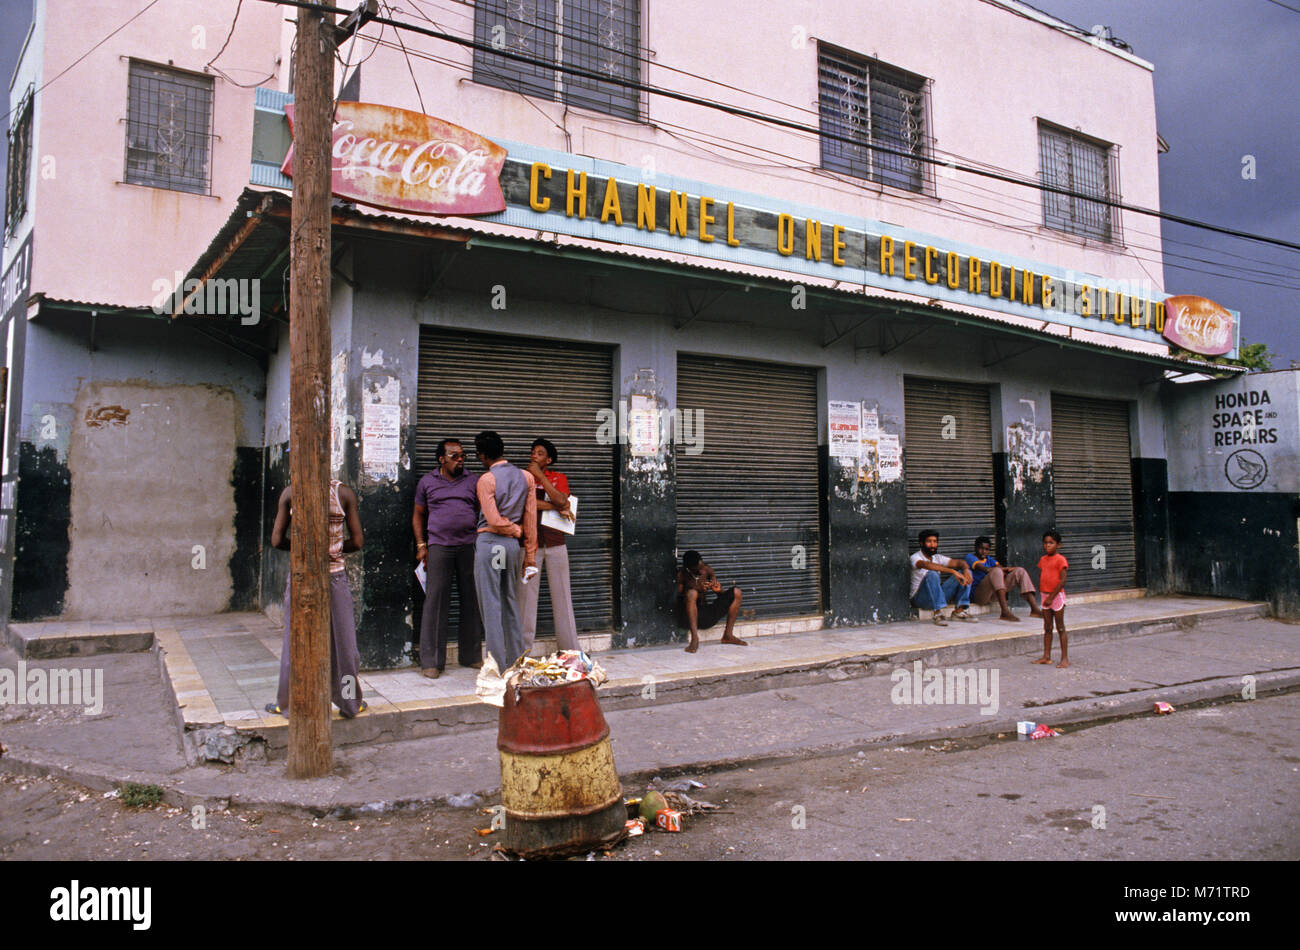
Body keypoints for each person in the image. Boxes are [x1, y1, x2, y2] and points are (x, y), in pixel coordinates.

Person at [265, 480, 367, 719]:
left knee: (294, 641)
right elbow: (358, 541)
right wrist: (330, 551)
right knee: (345, 646)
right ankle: (350, 703)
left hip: (301, 576)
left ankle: (286, 703)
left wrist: (304, 551)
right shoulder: (343, 493)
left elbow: (277, 540)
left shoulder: (290, 492)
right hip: (334, 577)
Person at [412, 438, 483, 679]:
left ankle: (471, 655)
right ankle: (431, 661)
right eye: (455, 456)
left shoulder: (473, 481)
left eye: (463, 455)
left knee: (471, 599)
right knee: (435, 601)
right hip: (439, 547)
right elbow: (418, 515)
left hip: (468, 546)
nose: (460, 459)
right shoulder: (427, 482)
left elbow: (481, 510)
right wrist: (422, 545)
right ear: (441, 459)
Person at [472, 431, 538, 670]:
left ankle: (497, 665)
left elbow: (493, 519)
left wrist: (514, 530)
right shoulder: (526, 477)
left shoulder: (487, 480)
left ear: (482, 456)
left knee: (491, 604)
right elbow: (531, 519)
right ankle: (517, 660)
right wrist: (529, 555)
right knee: (509, 600)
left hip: (492, 543)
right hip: (509, 549)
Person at [522, 437, 579, 655]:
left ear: (549, 459)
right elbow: (525, 503)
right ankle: (522, 651)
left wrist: (540, 477)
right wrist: (554, 507)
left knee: (563, 596)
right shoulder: (523, 478)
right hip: (529, 545)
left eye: (539, 453)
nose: (533, 456)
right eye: (532, 452)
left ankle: (570, 650)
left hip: (556, 543)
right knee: (526, 598)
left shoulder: (558, 478)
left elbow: (563, 501)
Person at [676, 550, 747, 653]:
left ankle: (728, 635)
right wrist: (695, 588)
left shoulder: (707, 570)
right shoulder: (682, 575)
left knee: (736, 592)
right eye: (697, 569)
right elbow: (679, 597)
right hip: (688, 617)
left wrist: (719, 591)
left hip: (706, 614)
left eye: (701, 565)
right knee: (692, 593)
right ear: (689, 568)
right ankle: (694, 639)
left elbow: (719, 592)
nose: (701, 570)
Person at [964, 535, 1042, 622]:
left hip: (993, 595)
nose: (983, 552)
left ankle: (1035, 609)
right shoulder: (970, 557)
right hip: (979, 596)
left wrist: (1010, 569)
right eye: (981, 548)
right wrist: (1006, 568)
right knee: (996, 571)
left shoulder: (989, 560)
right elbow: (986, 569)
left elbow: (1001, 569)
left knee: (1020, 571)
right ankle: (1005, 612)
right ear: (975, 548)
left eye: (986, 549)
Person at [909, 529, 976, 626]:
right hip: (920, 598)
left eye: (935, 542)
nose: (933, 545)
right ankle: (938, 614)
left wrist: (965, 570)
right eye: (929, 542)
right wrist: (953, 571)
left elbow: (960, 563)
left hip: (936, 595)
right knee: (932, 573)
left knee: (966, 572)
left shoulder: (938, 558)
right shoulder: (915, 557)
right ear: (921, 543)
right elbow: (927, 565)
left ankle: (959, 612)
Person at [1034, 528, 1069, 667]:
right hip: (1045, 596)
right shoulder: (1043, 559)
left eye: (1051, 543)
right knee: (1047, 627)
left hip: (1056, 597)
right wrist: (1045, 595)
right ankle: (1046, 656)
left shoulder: (1061, 560)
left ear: (1058, 545)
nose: (1047, 545)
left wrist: (1052, 597)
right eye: (1045, 543)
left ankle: (1064, 658)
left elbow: (1062, 581)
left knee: (1060, 627)